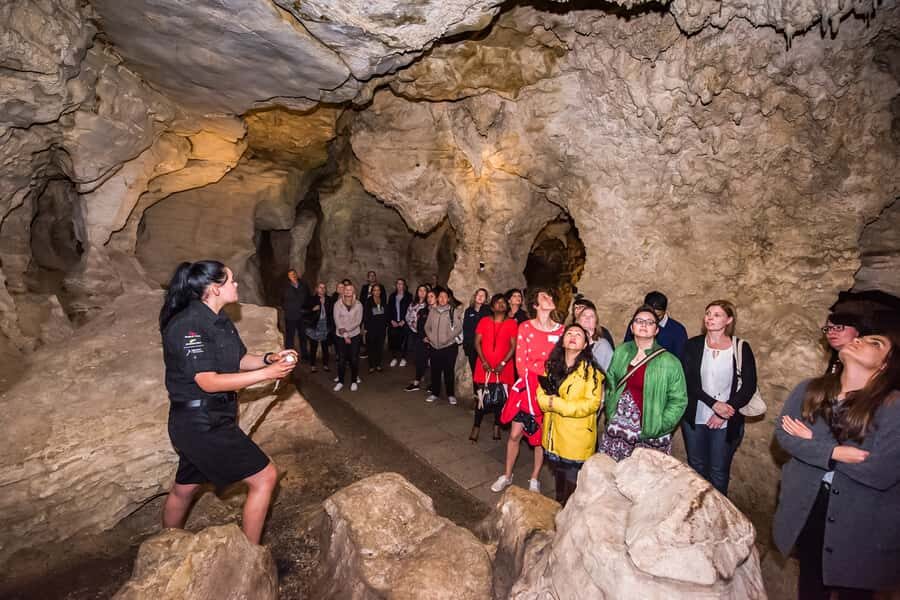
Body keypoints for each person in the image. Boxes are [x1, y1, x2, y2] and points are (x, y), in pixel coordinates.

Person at [159, 261, 294, 544]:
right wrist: (267, 375)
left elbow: (239, 360)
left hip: (207, 419)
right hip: (201, 424)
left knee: (184, 490)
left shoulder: (220, 320)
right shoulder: (189, 325)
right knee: (265, 477)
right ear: (214, 288)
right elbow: (207, 381)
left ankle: (166, 545)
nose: (236, 285)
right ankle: (249, 555)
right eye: (231, 280)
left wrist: (270, 358)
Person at [774, 311, 900, 598]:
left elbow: (880, 471)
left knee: (854, 591)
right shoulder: (809, 389)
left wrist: (814, 442)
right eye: (862, 337)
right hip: (810, 505)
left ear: (885, 364)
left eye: (875, 343)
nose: (860, 341)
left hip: (861, 518)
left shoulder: (894, 407)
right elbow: (784, 436)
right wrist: (836, 452)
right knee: (810, 583)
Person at [492, 288, 565, 494]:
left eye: (550, 296)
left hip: (548, 389)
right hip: (526, 388)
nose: (550, 299)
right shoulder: (525, 327)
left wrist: (545, 373)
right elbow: (521, 362)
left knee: (540, 438)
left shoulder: (561, 330)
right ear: (535, 305)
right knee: (515, 434)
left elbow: (561, 362)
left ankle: (534, 478)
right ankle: (507, 474)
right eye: (544, 297)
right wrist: (538, 371)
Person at [680, 300, 757, 496]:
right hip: (696, 415)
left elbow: (748, 386)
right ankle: (695, 510)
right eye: (708, 314)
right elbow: (689, 381)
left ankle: (718, 513)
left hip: (727, 419)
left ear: (728, 320)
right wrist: (714, 404)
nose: (710, 318)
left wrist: (725, 412)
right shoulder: (693, 345)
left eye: (716, 315)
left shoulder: (740, 348)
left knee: (718, 470)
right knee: (696, 466)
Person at [601, 305, 687, 461]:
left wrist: (660, 425)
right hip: (618, 425)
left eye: (650, 322)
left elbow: (678, 400)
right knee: (612, 476)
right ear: (632, 327)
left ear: (656, 330)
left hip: (650, 430)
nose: (643, 325)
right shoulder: (621, 351)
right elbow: (611, 382)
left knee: (644, 481)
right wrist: (610, 411)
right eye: (639, 321)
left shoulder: (669, 362)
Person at [537, 324, 604, 504]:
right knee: (559, 480)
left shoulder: (592, 373)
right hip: (553, 435)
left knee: (572, 485)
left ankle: (568, 518)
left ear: (584, 345)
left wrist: (557, 404)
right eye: (569, 333)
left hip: (575, 438)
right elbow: (540, 394)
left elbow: (591, 404)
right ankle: (560, 511)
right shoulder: (552, 366)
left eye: (578, 335)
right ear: (563, 341)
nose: (573, 336)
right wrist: (548, 402)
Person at [470, 293, 518, 442]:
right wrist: (484, 361)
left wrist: (503, 363)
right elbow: (477, 342)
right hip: (484, 366)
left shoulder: (511, 323)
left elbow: (513, 346)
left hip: (504, 367)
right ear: (492, 307)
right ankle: (476, 426)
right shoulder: (484, 321)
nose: (501, 304)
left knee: (500, 398)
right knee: (481, 397)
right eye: (497, 302)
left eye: (504, 302)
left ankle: (497, 426)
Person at [424, 288, 464, 404]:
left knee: (448, 371)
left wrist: (447, 338)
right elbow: (427, 326)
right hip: (434, 346)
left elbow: (459, 327)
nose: (442, 299)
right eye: (440, 296)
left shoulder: (453, 311)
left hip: (449, 347)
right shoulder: (433, 311)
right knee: (435, 371)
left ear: (448, 299)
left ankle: (450, 394)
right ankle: (435, 393)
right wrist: (431, 337)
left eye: (444, 297)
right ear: (437, 298)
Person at [624, 291, 688, 360]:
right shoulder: (636, 324)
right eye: (650, 314)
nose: (653, 319)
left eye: (658, 316)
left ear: (665, 311)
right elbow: (627, 350)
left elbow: (681, 359)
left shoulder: (677, 330)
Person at [333, 280, 363, 392]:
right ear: (343, 291)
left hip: (354, 335)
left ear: (353, 291)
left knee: (354, 359)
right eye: (346, 289)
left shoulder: (359, 304)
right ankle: (341, 381)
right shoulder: (337, 304)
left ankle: (354, 381)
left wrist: (348, 332)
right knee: (341, 360)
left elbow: (358, 321)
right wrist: (345, 334)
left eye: (350, 289)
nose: (348, 291)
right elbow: (337, 320)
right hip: (340, 335)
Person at [405, 288, 435, 393]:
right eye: (428, 297)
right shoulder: (423, 311)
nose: (430, 299)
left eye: (432, 296)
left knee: (433, 363)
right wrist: (423, 337)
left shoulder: (439, 311)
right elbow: (420, 326)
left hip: (435, 342)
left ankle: (433, 384)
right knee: (420, 361)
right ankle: (416, 382)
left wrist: (432, 338)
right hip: (422, 339)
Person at [305, 282, 334, 373]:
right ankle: (313, 365)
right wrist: (312, 309)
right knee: (314, 347)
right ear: (317, 289)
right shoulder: (311, 299)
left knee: (325, 347)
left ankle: (325, 365)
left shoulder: (329, 299)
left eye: (324, 287)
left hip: (325, 325)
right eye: (320, 287)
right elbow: (303, 311)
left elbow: (331, 312)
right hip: (315, 326)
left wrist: (325, 304)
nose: (322, 289)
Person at [282, 269, 311, 363]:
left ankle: (305, 355)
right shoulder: (285, 287)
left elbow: (308, 298)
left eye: (294, 274)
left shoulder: (303, 285)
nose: (292, 276)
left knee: (303, 336)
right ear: (288, 277)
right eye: (290, 275)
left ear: (296, 274)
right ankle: (289, 356)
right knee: (290, 336)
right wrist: (288, 308)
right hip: (290, 315)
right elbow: (282, 300)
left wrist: (306, 309)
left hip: (302, 315)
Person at [576, 304, 613, 372]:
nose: (587, 318)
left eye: (592, 316)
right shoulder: (572, 340)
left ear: (596, 323)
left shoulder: (602, 345)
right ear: (578, 321)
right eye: (584, 315)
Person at [463, 287, 492, 375]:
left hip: (485, 347)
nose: (480, 297)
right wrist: (466, 346)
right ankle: (476, 389)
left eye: (483, 295)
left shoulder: (488, 311)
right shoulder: (469, 311)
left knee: (485, 372)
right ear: (475, 296)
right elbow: (466, 328)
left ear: (486, 299)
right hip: (471, 347)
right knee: (475, 373)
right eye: (478, 294)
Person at [387, 279, 413, 368]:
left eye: (401, 284)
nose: (400, 285)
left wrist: (404, 320)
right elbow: (389, 309)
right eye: (398, 283)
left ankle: (403, 358)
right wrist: (391, 320)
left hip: (404, 322)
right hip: (394, 322)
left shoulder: (409, 296)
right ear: (396, 285)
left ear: (404, 285)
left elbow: (410, 310)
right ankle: (394, 357)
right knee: (393, 340)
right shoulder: (392, 296)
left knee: (405, 340)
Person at [364, 283, 388, 373]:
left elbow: (386, 314)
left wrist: (385, 325)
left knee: (379, 347)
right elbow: (366, 315)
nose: (377, 292)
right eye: (375, 290)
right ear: (372, 292)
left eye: (378, 290)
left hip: (381, 328)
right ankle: (371, 366)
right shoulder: (368, 301)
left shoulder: (383, 300)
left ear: (380, 291)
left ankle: (378, 364)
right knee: (371, 347)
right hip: (371, 328)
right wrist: (366, 328)